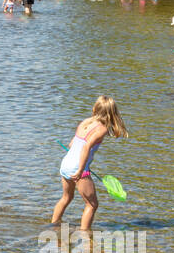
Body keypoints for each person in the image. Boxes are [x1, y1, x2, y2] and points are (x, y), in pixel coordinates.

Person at [51, 95, 128, 232]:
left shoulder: (85, 122)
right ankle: (85, 235)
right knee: (92, 204)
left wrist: (81, 161)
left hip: (66, 163)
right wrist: (81, 169)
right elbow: (86, 147)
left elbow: (71, 144)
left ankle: (53, 226)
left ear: (95, 108)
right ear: (112, 113)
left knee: (66, 197)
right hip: (78, 168)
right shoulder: (102, 129)